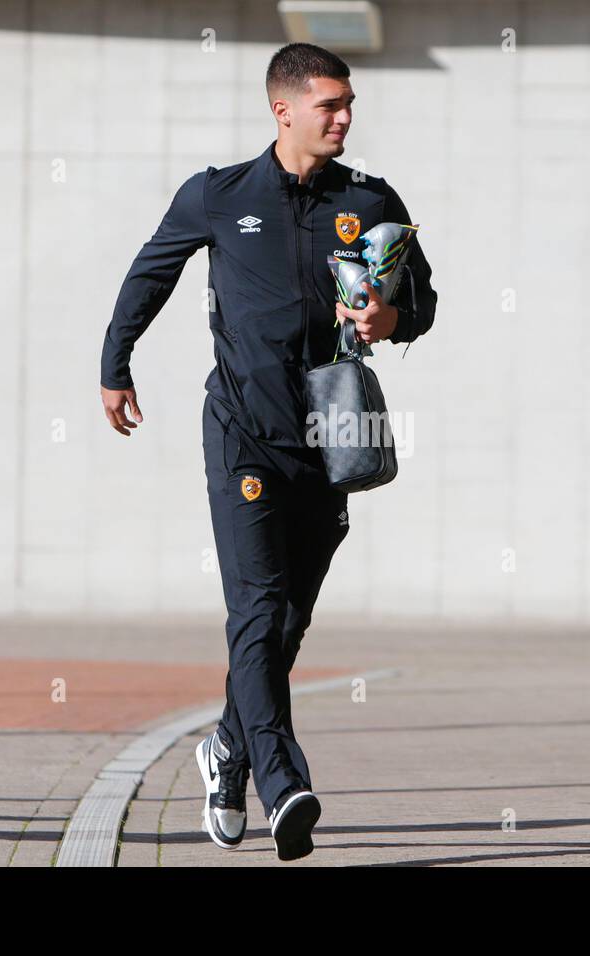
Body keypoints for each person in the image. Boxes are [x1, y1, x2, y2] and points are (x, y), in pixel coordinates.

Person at [98, 42, 437, 861]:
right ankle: (282, 784)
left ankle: (225, 747)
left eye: (349, 103)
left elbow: (422, 298)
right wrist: (115, 365)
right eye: (330, 105)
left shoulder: (369, 199)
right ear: (283, 110)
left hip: (329, 442)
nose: (345, 117)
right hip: (243, 434)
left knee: (286, 621)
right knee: (255, 609)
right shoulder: (219, 195)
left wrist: (390, 321)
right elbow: (151, 274)